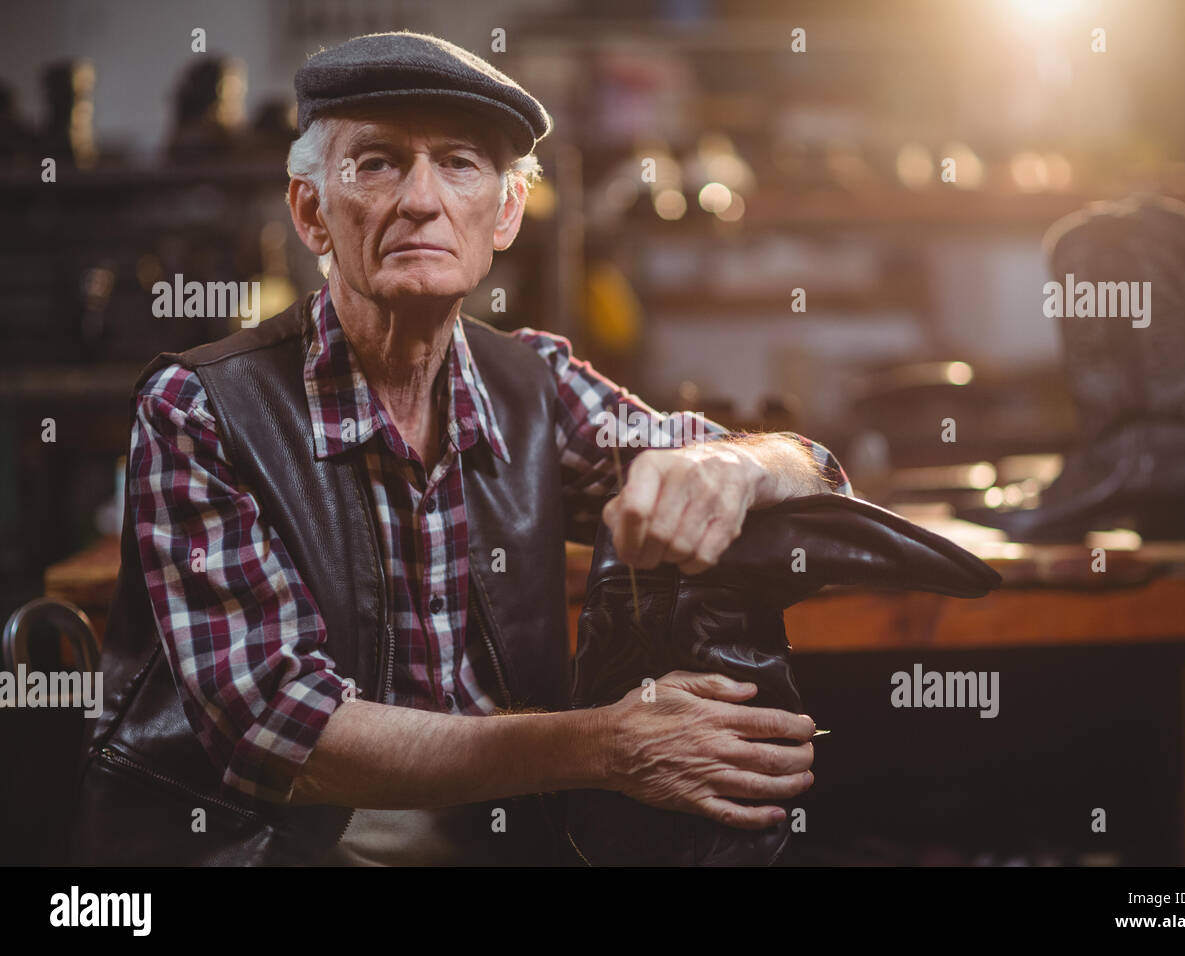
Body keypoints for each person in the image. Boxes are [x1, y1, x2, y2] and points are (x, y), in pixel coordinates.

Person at [75, 31, 852, 866]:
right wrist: (605, 746)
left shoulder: (534, 384)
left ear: (506, 214)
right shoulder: (199, 410)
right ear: (311, 212)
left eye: (459, 163)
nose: (420, 199)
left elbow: (809, 478)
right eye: (376, 163)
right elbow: (284, 732)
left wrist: (735, 465)